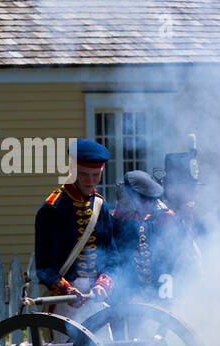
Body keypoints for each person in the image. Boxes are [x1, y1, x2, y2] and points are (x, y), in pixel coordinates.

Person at [34, 138, 117, 321]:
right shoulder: (53, 208)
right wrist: (68, 290)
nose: (91, 181)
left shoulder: (100, 206)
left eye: (96, 175)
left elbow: (112, 258)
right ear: (72, 170)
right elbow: (45, 268)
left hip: (95, 298)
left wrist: (103, 284)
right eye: (84, 174)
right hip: (65, 300)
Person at [111, 169, 185, 302]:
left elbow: (170, 256)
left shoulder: (160, 220)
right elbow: (113, 259)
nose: (149, 204)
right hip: (126, 295)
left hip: (157, 293)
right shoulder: (117, 222)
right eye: (144, 200)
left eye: (151, 200)